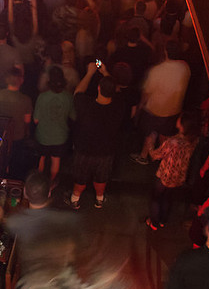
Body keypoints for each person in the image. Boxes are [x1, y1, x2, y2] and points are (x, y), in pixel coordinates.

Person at [69, 68, 127, 210]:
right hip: (106, 151)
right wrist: (106, 72)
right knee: (102, 177)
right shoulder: (119, 106)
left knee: (80, 178)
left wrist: (89, 72)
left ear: (98, 88)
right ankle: (99, 200)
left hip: (84, 150)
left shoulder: (85, 104)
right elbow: (117, 91)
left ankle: (75, 200)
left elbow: (78, 92)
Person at [133, 41, 191, 164]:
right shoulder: (185, 67)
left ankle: (144, 156)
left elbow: (146, 93)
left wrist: (140, 106)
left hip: (155, 110)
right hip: (174, 110)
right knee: (165, 135)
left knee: (149, 134)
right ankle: (163, 159)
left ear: (165, 52)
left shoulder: (156, 71)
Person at [145, 110, 201, 229]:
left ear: (182, 124)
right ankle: (163, 220)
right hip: (178, 177)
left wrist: (150, 143)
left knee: (156, 197)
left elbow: (155, 156)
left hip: (165, 175)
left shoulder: (172, 142)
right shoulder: (193, 141)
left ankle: (154, 222)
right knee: (168, 198)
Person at [33, 66, 73, 184]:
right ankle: (51, 182)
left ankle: (39, 181)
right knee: (56, 160)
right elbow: (73, 116)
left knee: (42, 157)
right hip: (60, 137)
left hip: (43, 136)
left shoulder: (42, 97)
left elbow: (36, 120)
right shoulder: (68, 97)